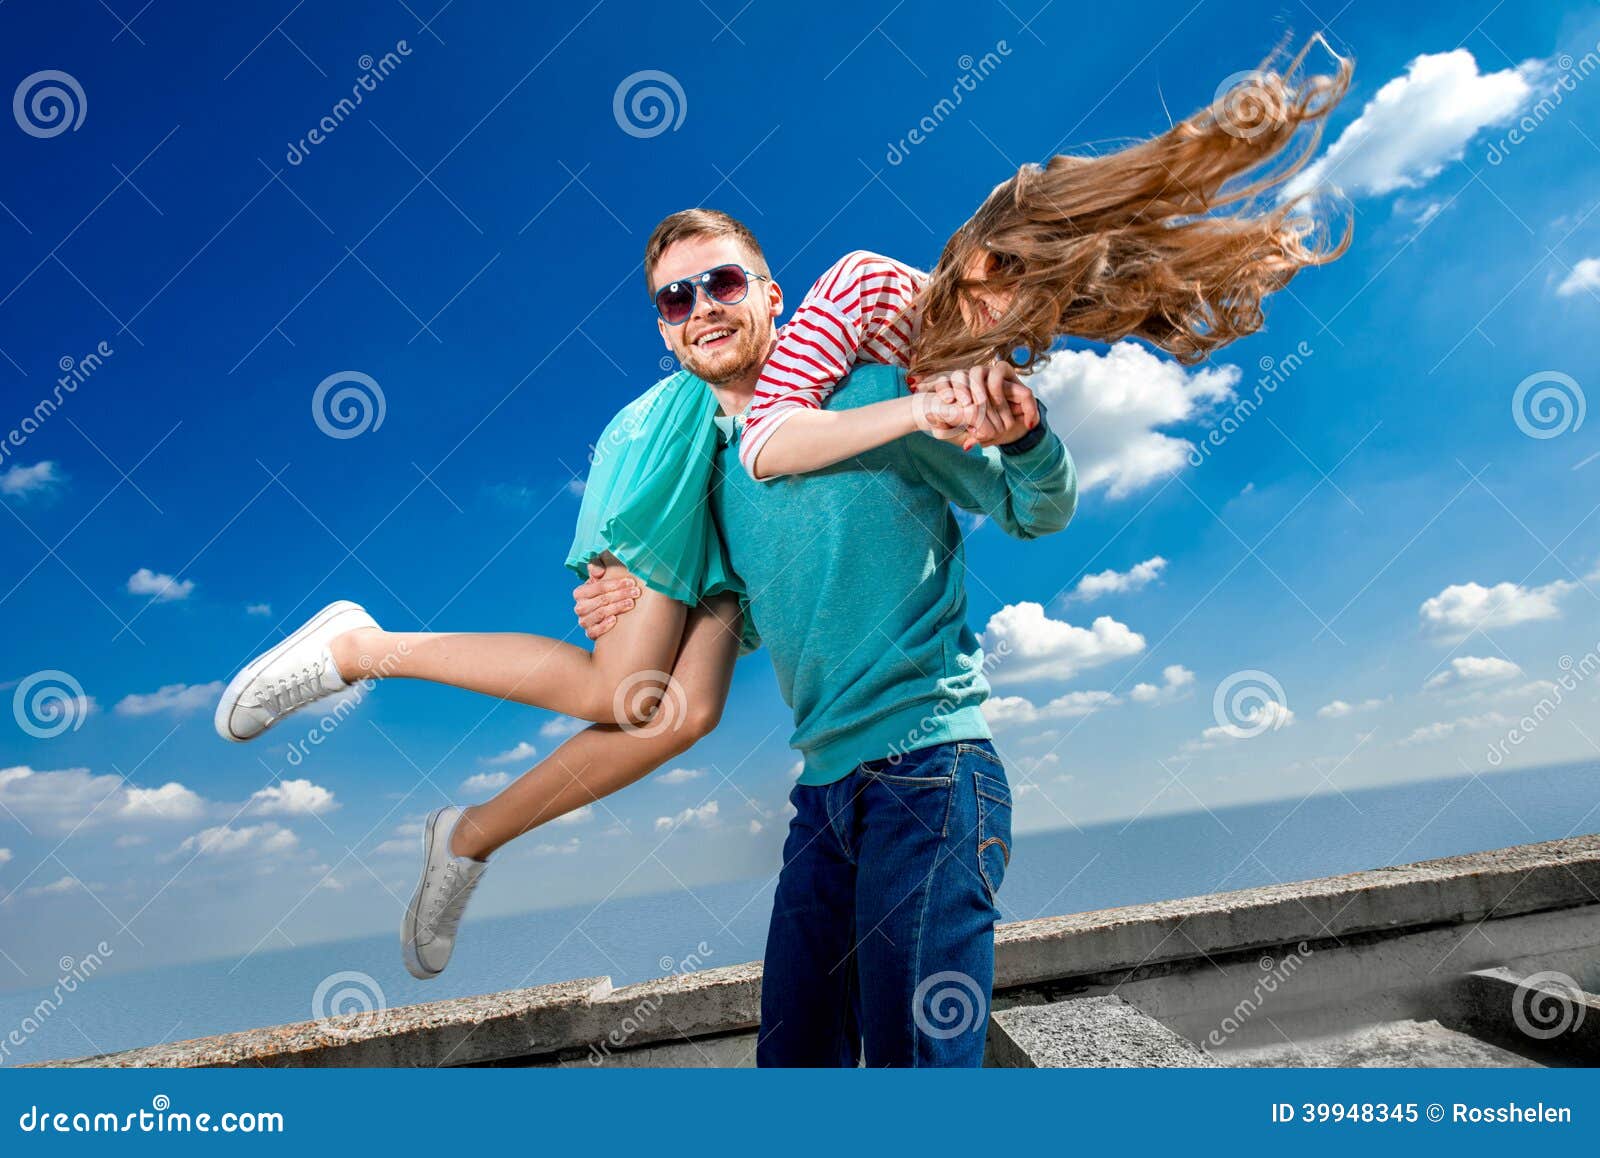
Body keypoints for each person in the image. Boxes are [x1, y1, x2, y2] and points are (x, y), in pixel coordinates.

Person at [209, 38, 1351, 1006]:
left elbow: (1013, 493)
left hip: (791, 571)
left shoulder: (892, 369)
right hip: (676, 466)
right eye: (674, 299)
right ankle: (360, 645)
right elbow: (760, 444)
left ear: (773, 296)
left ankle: (467, 836)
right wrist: (622, 567)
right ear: (662, 328)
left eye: (723, 284)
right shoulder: (749, 389)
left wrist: (1016, 429)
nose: (700, 307)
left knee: (676, 713)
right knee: (622, 688)